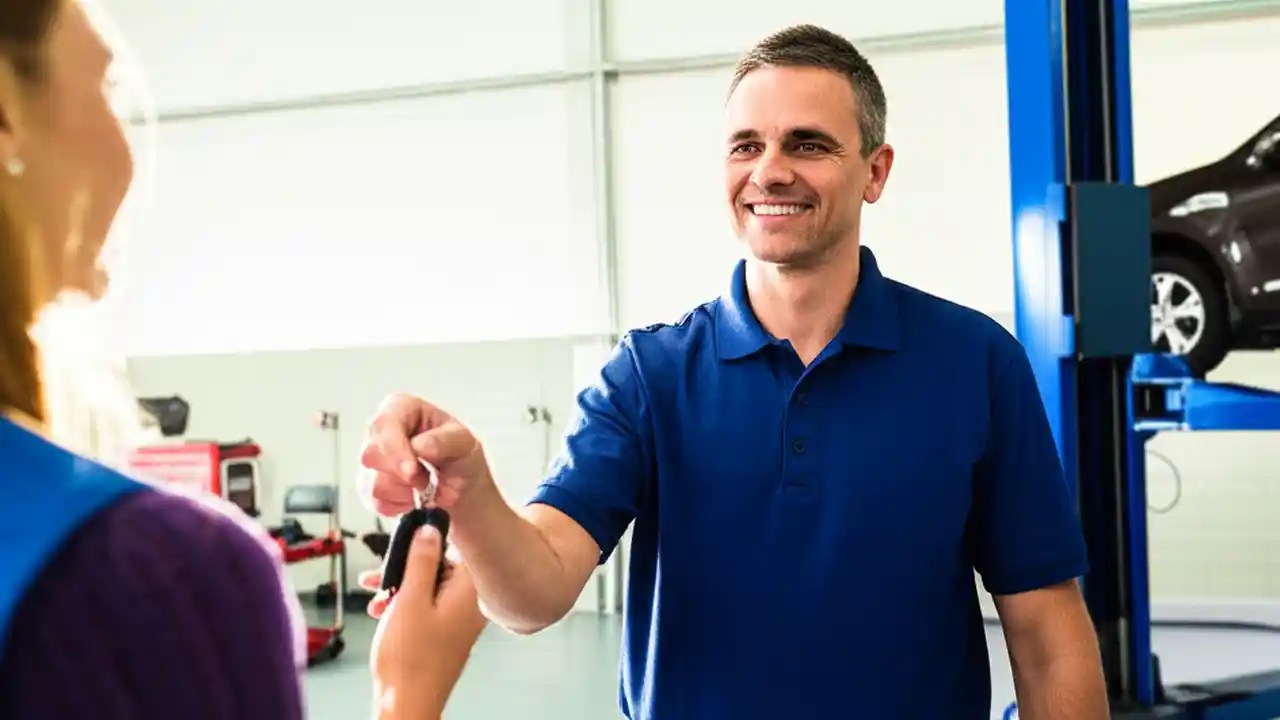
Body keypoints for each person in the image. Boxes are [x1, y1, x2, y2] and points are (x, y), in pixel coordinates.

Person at [361, 23, 1110, 720]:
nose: (770, 171)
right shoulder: (647, 377)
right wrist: (472, 494)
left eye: (807, 145)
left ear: (875, 171)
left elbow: (1045, 628)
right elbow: (536, 593)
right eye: (745, 145)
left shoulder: (975, 363)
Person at [0, 2, 484, 718]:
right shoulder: (166, 578)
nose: (132, 158)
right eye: (104, 89)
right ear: (8, 111)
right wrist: (407, 693)